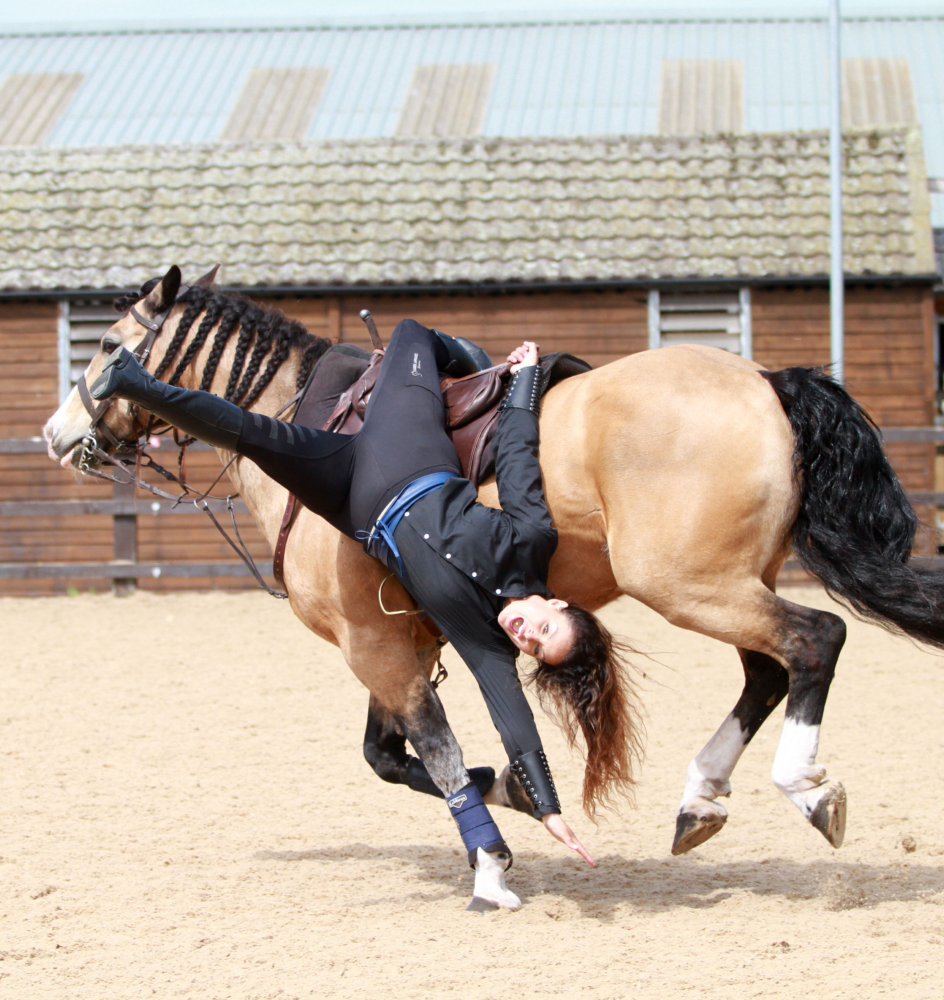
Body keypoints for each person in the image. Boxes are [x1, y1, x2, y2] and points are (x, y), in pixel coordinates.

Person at [90, 318, 636, 868]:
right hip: (410, 452)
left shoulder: (485, 643)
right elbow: (517, 456)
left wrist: (548, 810)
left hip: (354, 499)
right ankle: (133, 380)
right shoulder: (532, 538)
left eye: (536, 648)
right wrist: (520, 382)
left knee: (252, 436)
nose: (527, 634)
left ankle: (132, 382)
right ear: (557, 603)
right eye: (545, 628)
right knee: (409, 332)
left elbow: (514, 723)